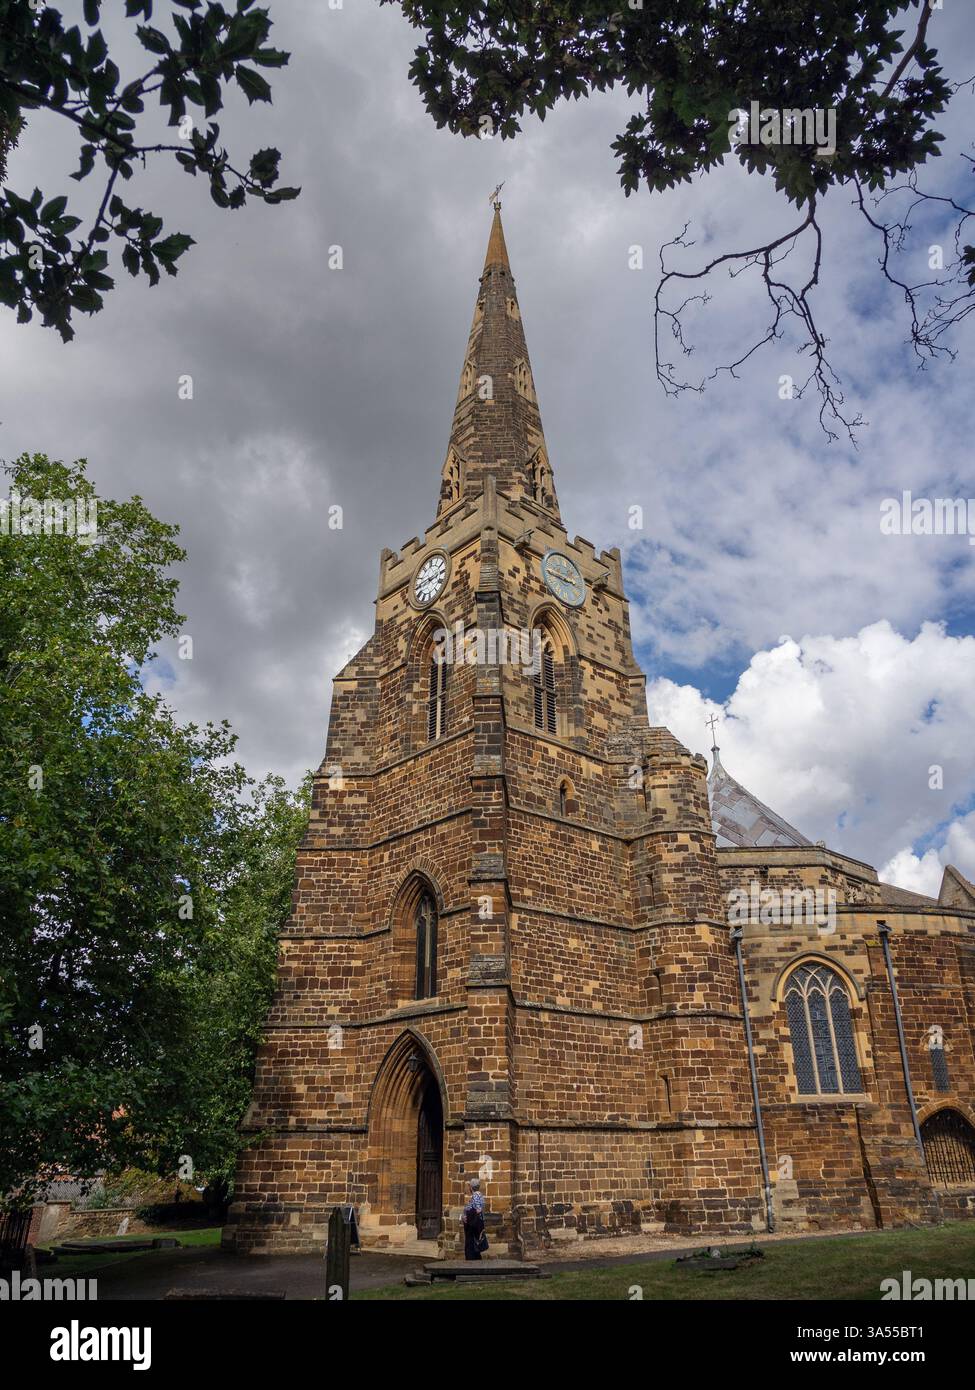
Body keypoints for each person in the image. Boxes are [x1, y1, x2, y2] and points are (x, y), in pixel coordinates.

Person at [461, 1177, 485, 1260]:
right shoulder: (478, 1195)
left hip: (472, 1224)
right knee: (473, 1243)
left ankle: (472, 1261)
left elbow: (478, 1210)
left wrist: (467, 1215)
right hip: (473, 1223)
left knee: (471, 1243)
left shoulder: (476, 1195)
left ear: (471, 1187)